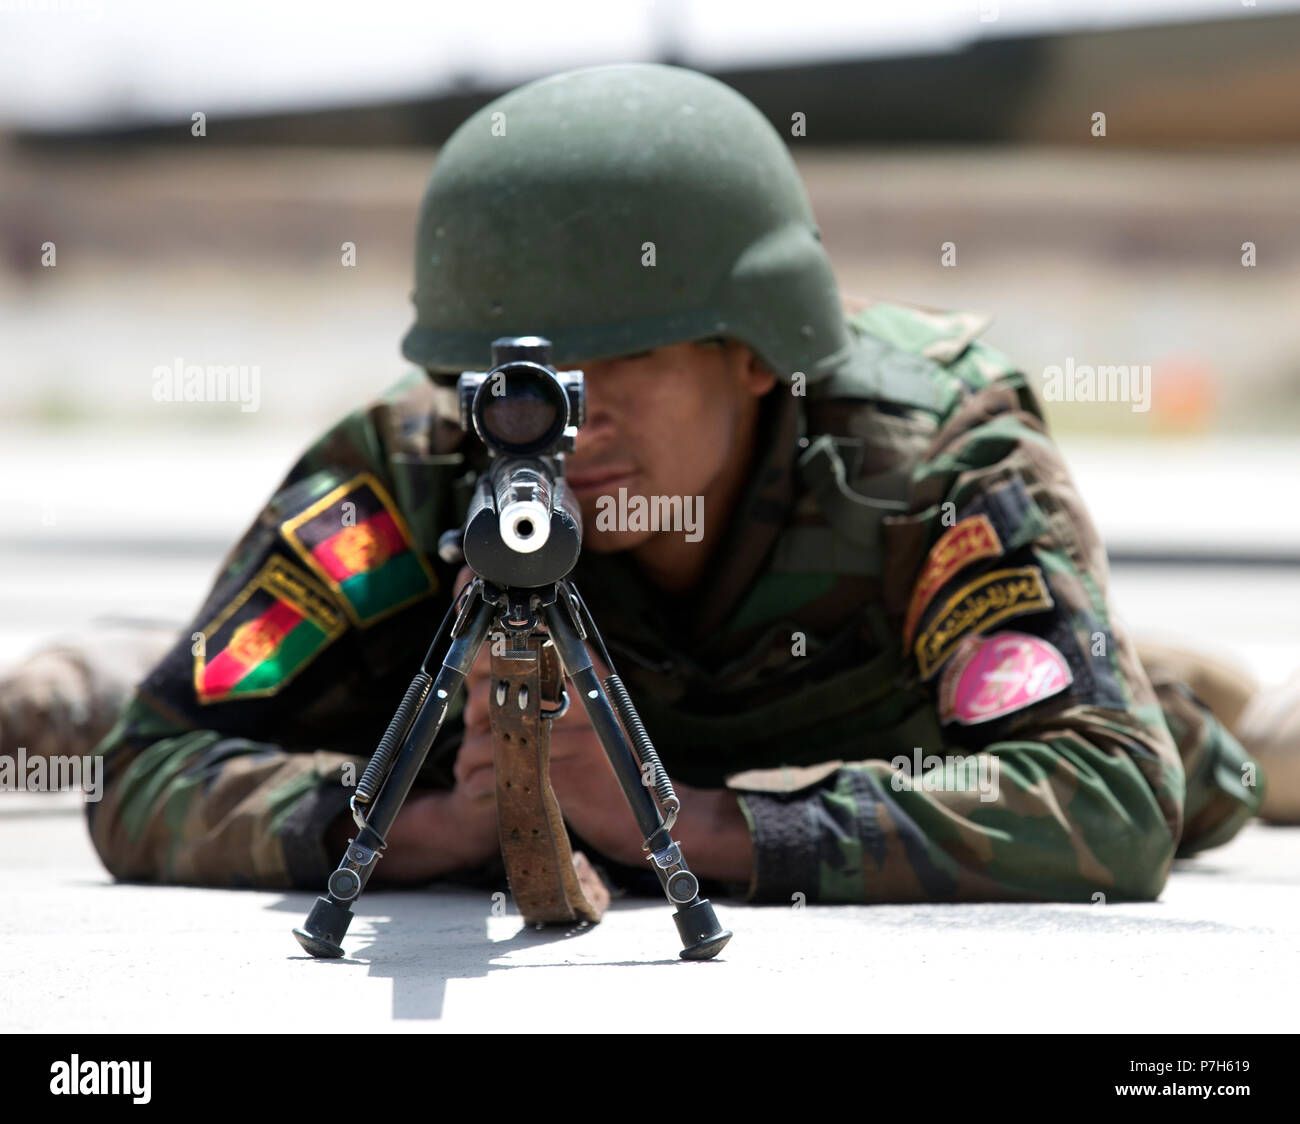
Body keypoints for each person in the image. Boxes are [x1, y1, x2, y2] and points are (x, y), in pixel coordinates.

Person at [57, 62, 1279, 903]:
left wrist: (697, 826)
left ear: (752, 349)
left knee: (1219, 765)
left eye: (623, 362)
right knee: (92, 708)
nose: (562, 425)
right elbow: (147, 763)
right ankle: (95, 660)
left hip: (877, 716)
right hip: (440, 722)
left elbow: (1108, 790)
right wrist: (422, 830)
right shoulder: (410, 475)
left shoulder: (927, 458)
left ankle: (1197, 679)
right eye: (516, 381)